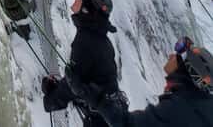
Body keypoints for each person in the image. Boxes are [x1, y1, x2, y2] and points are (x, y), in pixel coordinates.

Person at [68, 37, 213, 125]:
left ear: (187, 69)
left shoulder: (178, 109)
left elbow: (127, 125)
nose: (171, 55)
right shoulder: (202, 105)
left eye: (180, 56)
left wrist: (97, 98)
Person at [42, 0, 125, 126]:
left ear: (86, 9)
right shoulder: (100, 40)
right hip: (110, 116)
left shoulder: (85, 41)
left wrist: (50, 99)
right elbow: (81, 81)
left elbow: (72, 86)